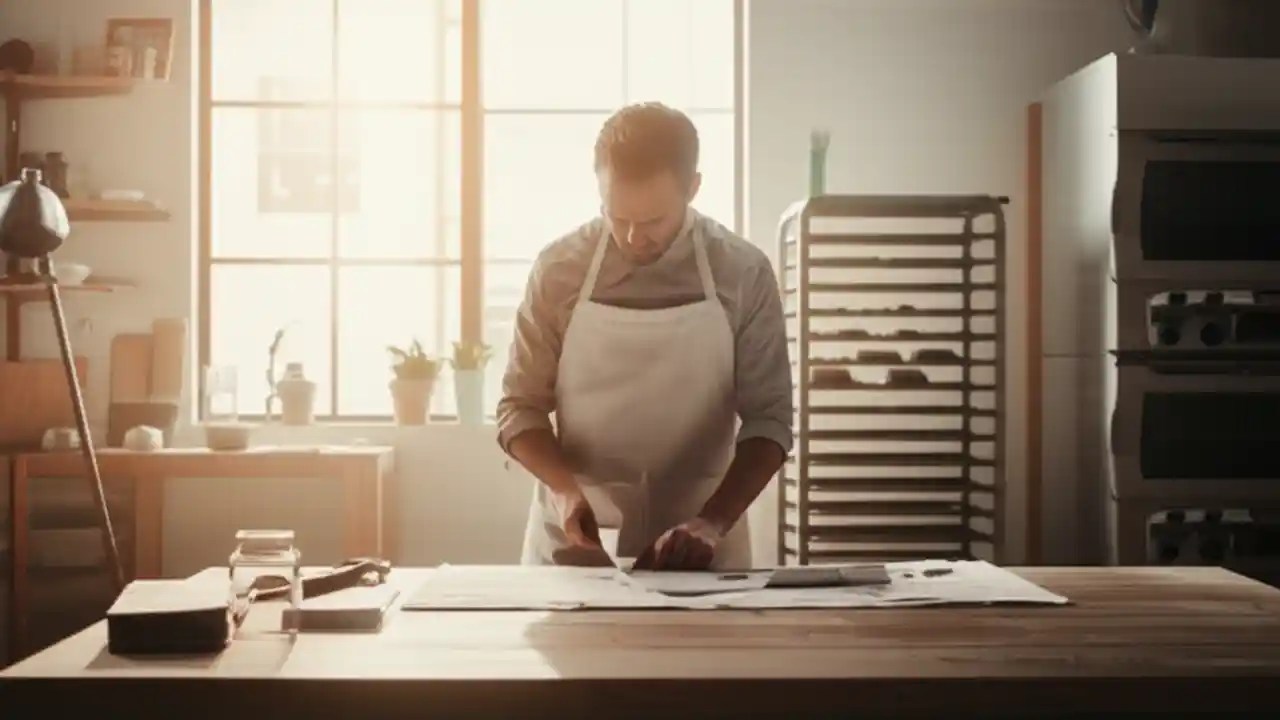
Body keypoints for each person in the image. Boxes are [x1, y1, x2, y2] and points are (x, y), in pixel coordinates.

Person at [497, 102, 793, 571]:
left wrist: (712, 523)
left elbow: (770, 420)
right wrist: (565, 494)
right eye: (617, 215)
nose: (634, 237)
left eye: (653, 220)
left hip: (703, 542)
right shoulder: (558, 270)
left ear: (693, 188)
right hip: (576, 542)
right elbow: (519, 406)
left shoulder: (743, 272)